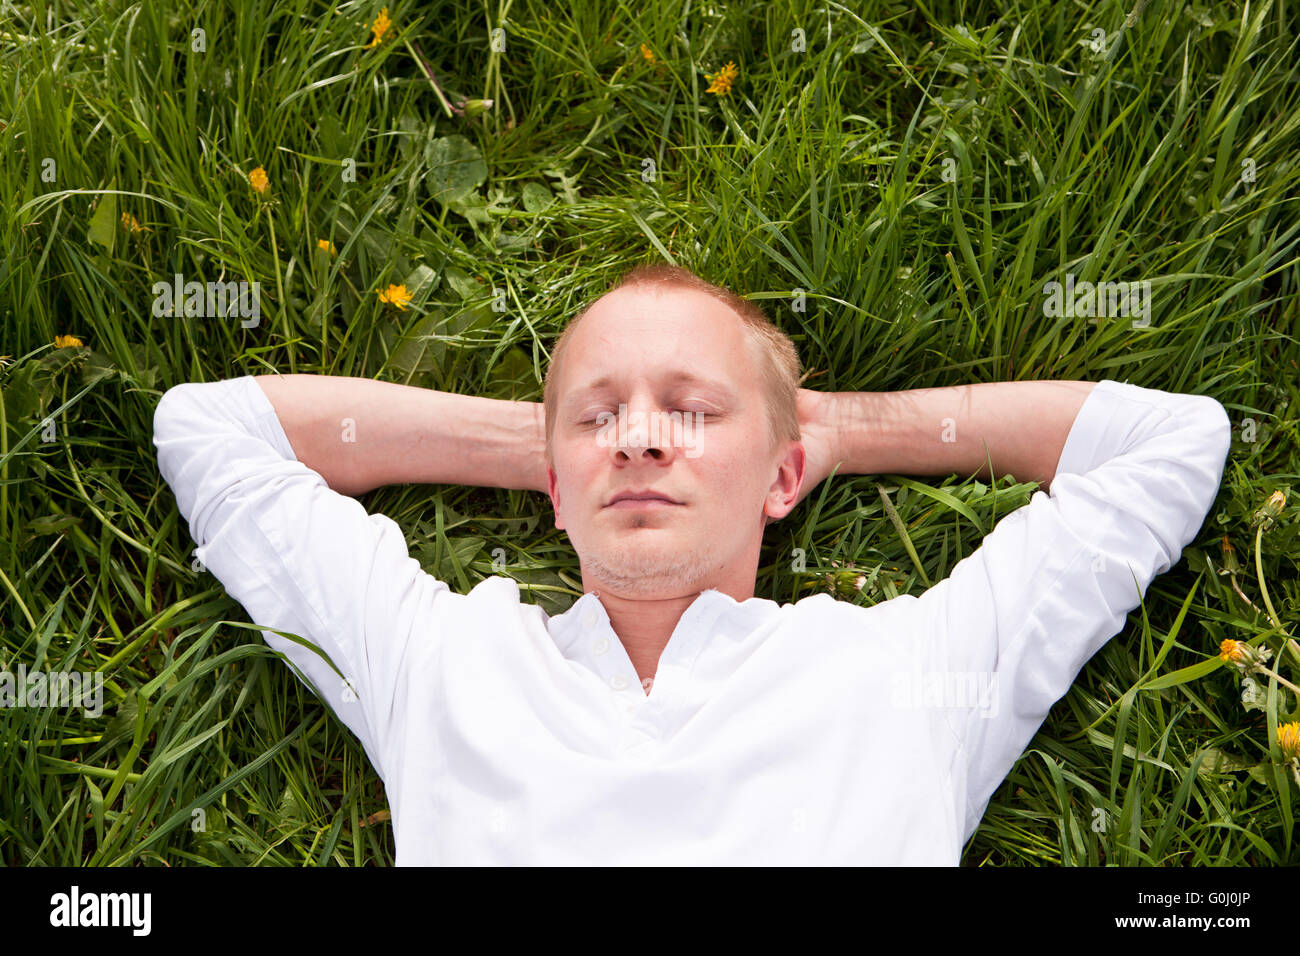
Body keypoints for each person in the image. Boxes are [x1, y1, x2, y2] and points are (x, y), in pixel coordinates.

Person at [152, 263, 1232, 864]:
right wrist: (553, 451)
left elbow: (1170, 444)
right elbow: (210, 433)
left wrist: (831, 435)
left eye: (690, 409)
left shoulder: (906, 672)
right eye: (602, 413)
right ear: (557, 487)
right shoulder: (443, 662)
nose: (639, 435)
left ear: (780, 475)